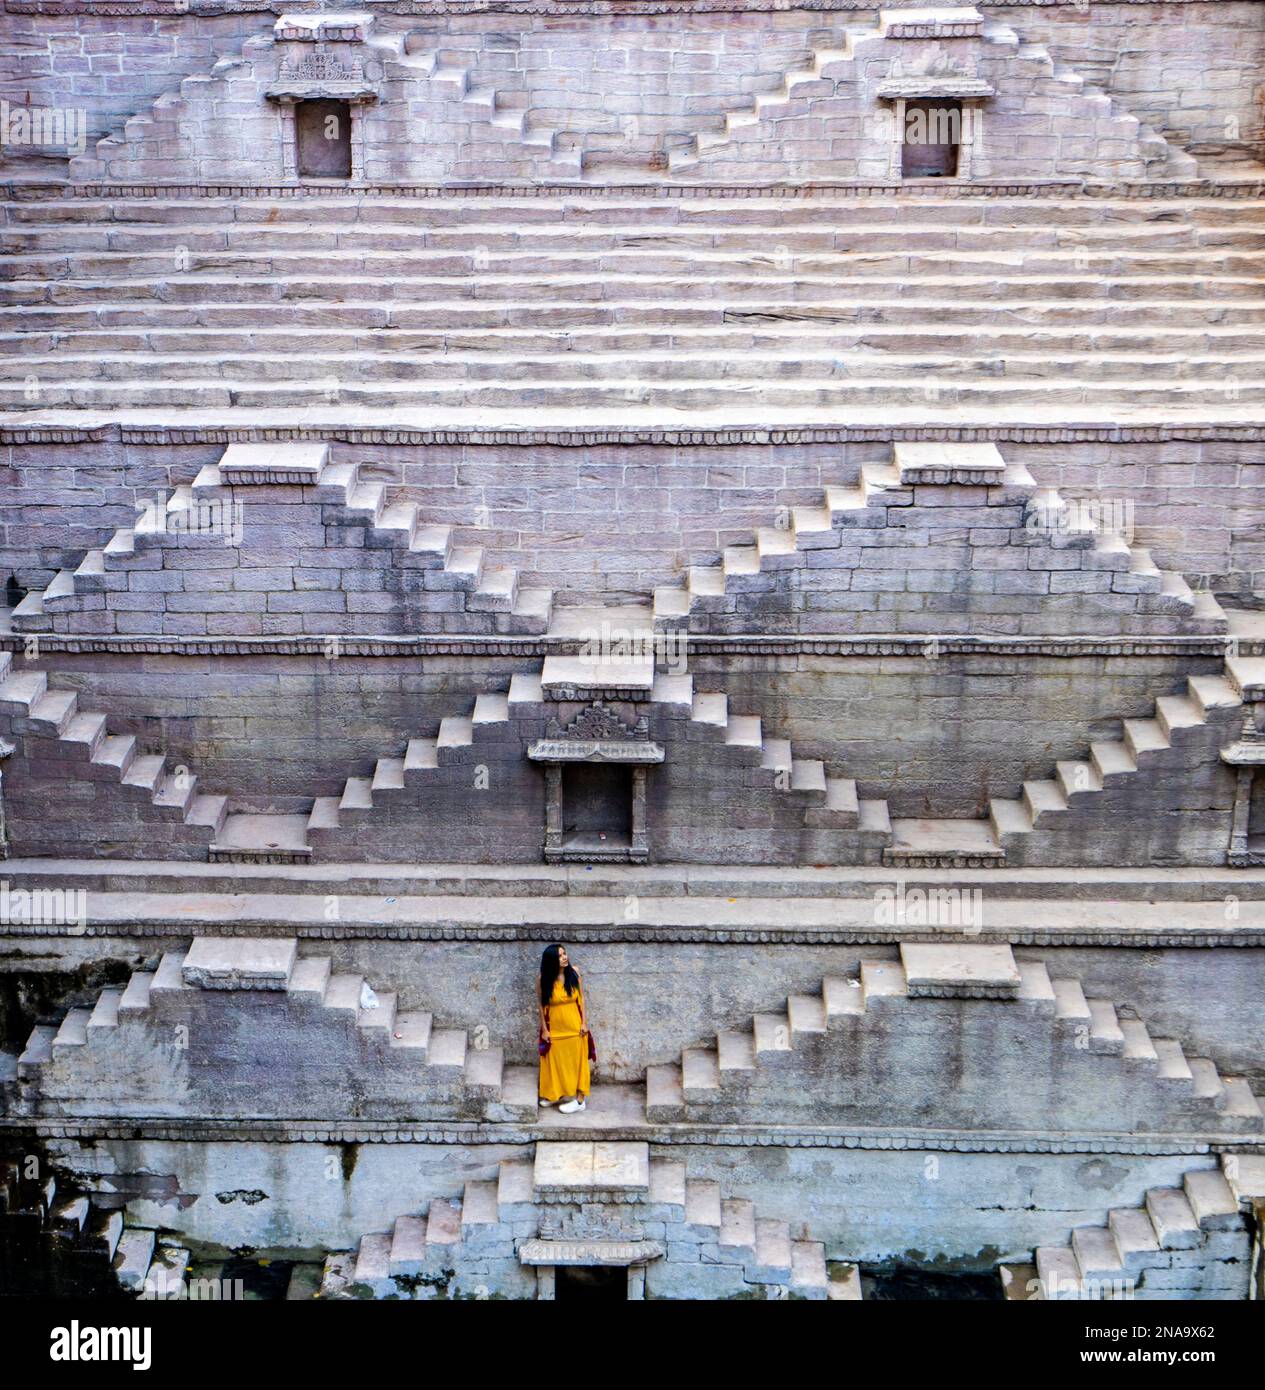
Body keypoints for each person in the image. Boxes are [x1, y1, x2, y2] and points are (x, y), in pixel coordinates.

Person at [538, 943, 590, 1114]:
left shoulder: (574, 972)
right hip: (555, 1028)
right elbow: (541, 1005)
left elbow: (581, 1000)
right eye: (560, 956)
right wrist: (544, 1030)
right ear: (552, 960)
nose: (565, 957)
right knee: (555, 1062)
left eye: (565, 954)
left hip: (574, 1028)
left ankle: (580, 1100)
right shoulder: (542, 979)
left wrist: (584, 1023)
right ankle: (555, 1094)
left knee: (578, 1063)